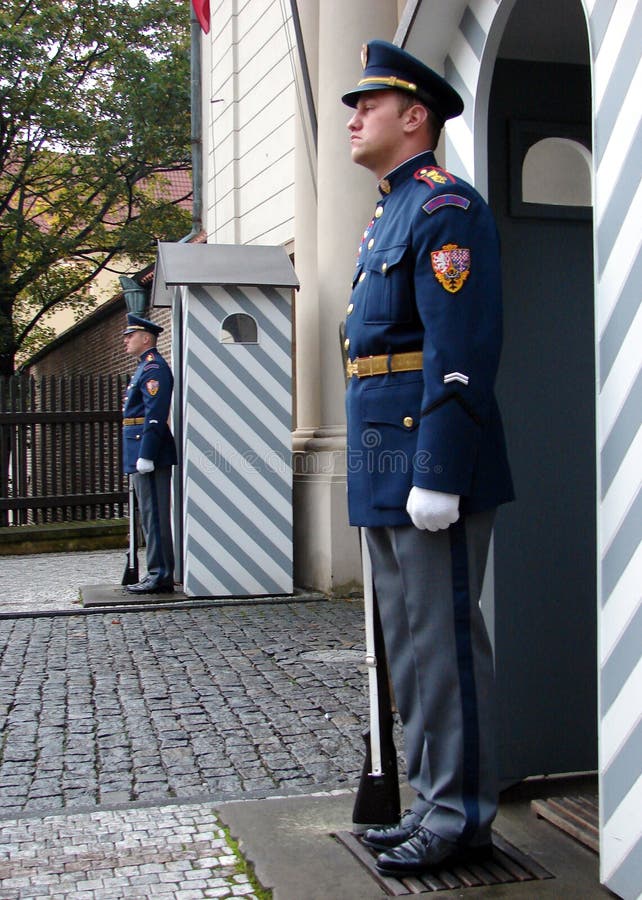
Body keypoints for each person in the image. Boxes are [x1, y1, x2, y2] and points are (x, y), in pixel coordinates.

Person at [341, 40, 514, 876]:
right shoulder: (389, 211)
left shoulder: (446, 208)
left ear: (416, 117)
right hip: (385, 454)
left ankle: (462, 816)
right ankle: (433, 803)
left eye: (368, 104)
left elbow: (461, 347)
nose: (354, 116)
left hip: (423, 454)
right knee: (410, 647)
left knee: (443, 644)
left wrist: (439, 469)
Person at [122, 313, 178, 594]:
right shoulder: (143, 368)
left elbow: (154, 415)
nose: (126, 341)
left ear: (146, 338)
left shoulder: (153, 368)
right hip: (140, 448)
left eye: (130, 336)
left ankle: (161, 574)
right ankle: (157, 571)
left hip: (149, 451)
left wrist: (146, 453)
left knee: (154, 514)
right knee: (148, 514)